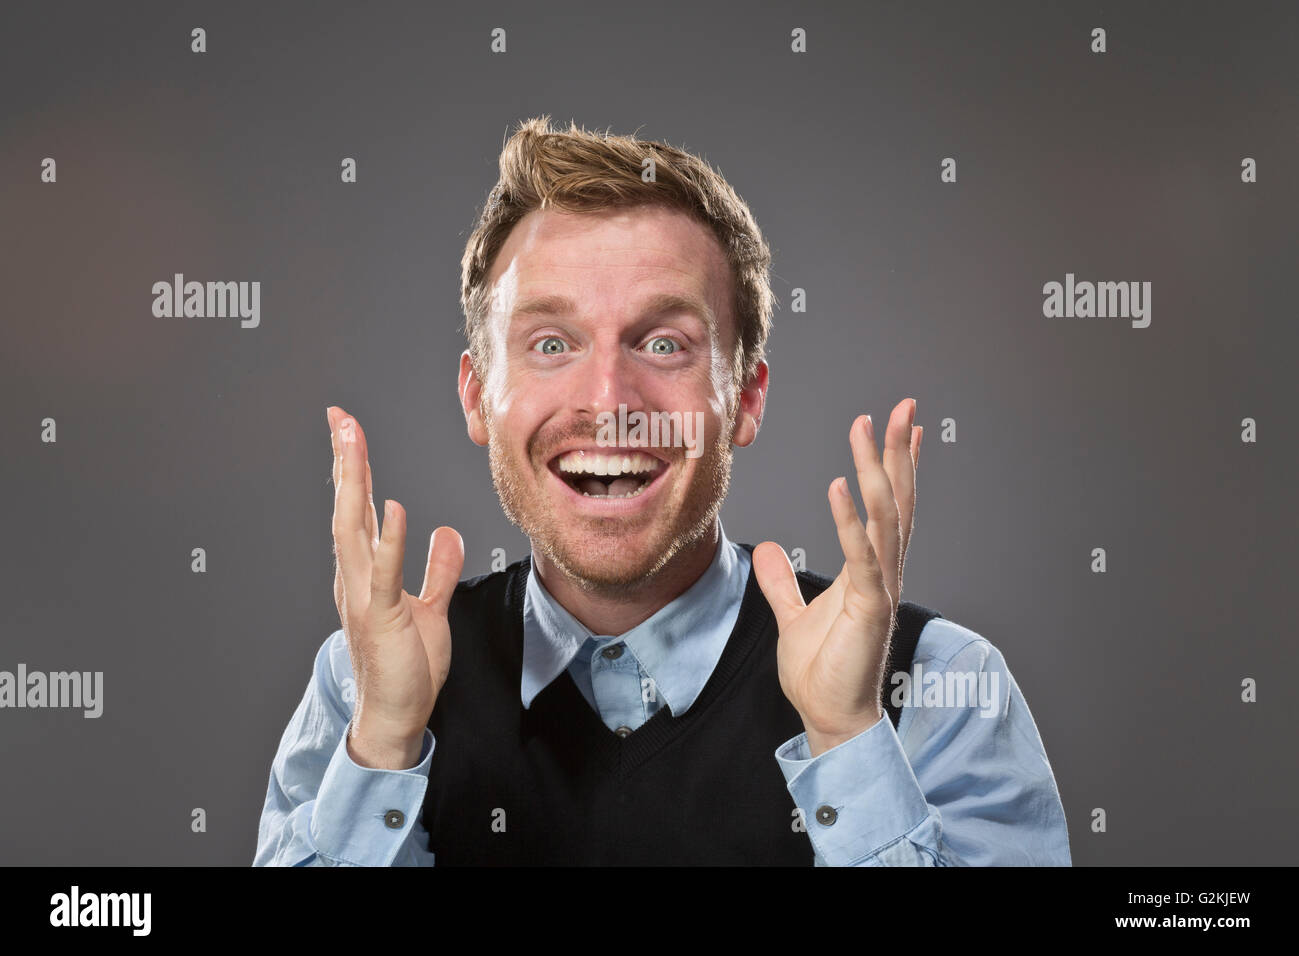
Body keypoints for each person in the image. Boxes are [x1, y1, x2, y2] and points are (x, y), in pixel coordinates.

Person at [254, 116, 1070, 866]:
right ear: (476, 397)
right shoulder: (360, 684)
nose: (609, 401)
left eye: (664, 343)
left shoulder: (935, 684)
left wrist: (849, 736)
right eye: (550, 342)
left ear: (745, 397)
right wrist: (386, 748)